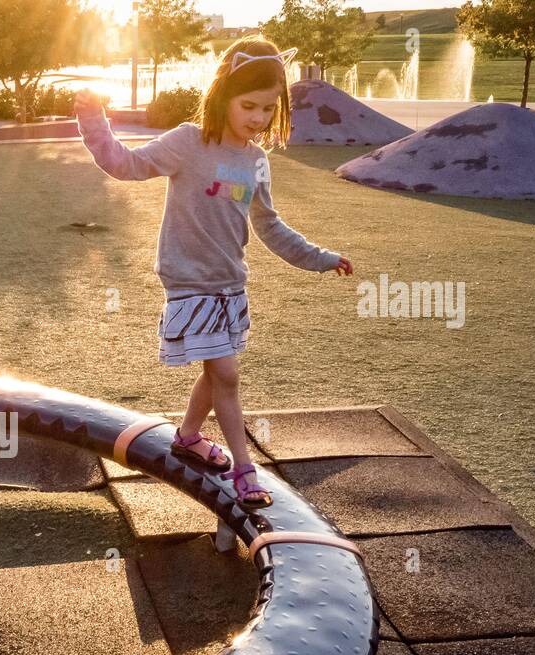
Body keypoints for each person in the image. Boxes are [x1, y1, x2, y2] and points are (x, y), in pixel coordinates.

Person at [74, 35, 353, 508]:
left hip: (231, 284)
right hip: (189, 282)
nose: (258, 119)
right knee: (226, 373)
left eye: (269, 109)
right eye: (249, 106)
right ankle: (246, 469)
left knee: (215, 371)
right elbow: (127, 165)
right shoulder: (188, 142)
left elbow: (270, 226)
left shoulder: (257, 161)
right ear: (222, 94)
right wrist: (93, 120)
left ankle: (186, 436)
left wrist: (320, 257)